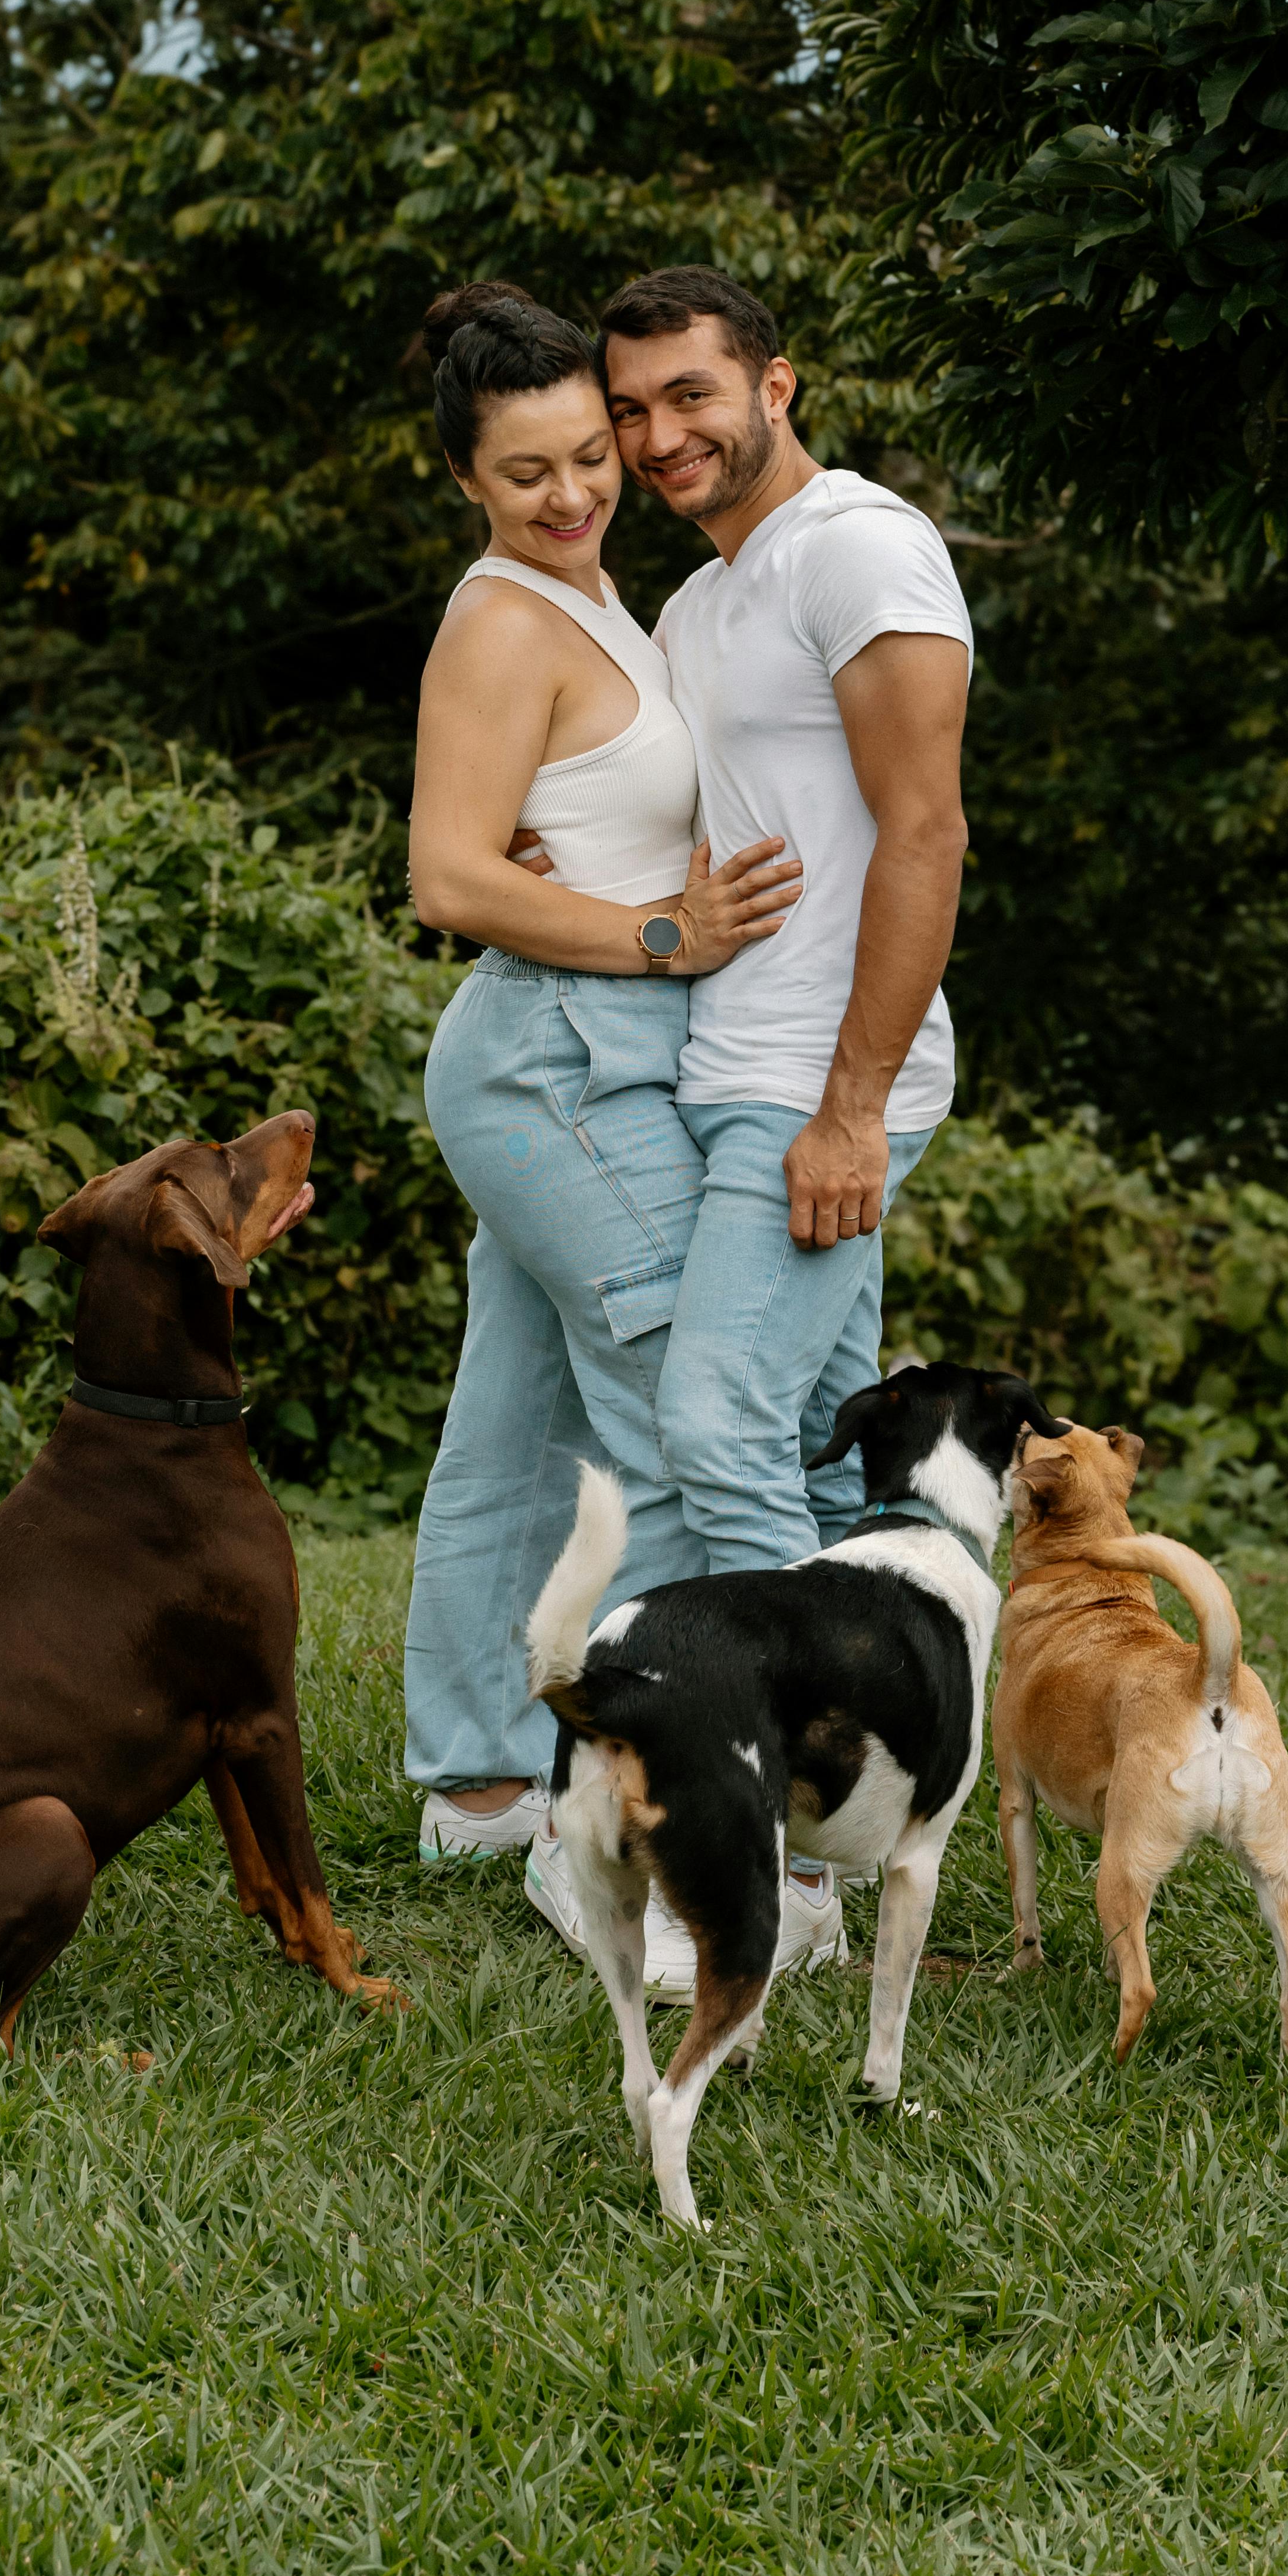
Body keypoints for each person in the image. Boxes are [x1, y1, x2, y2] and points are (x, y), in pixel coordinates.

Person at [398, 285, 801, 1959]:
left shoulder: (592, 591)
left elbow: (555, 823)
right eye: (525, 476)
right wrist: (662, 937)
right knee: (672, 1433)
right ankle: (629, 1820)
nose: (572, 494)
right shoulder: (500, 620)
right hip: (563, 1060)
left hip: (562, 1055)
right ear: (464, 485)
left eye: (591, 455)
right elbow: (448, 876)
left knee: (515, 1436)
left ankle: (478, 1786)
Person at [593, 265, 972, 1581]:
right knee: (831, 1442)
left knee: (712, 1421)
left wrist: (849, 1109)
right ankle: (922, 1738)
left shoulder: (857, 546)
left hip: (817, 1082)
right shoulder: (693, 607)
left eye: (687, 395)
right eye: (629, 410)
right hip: (717, 1066)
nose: (655, 438)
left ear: (773, 384)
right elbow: (686, 821)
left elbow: (925, 831)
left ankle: (773, 1759)